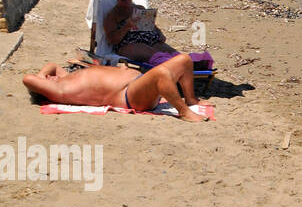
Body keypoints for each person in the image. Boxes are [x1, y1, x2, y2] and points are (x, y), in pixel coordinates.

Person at [23, 53, 208, 122]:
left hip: (138, 83)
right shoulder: (60, 91)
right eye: (46, 80)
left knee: (185, 60)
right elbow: (28, 79)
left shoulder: (64, 79)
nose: (50, 76)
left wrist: (46, 75)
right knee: (162, 75)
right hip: (130, 96)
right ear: (45, 89)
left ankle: (191, 100)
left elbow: (52, 65)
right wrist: (42, 79)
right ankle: (184, 112)